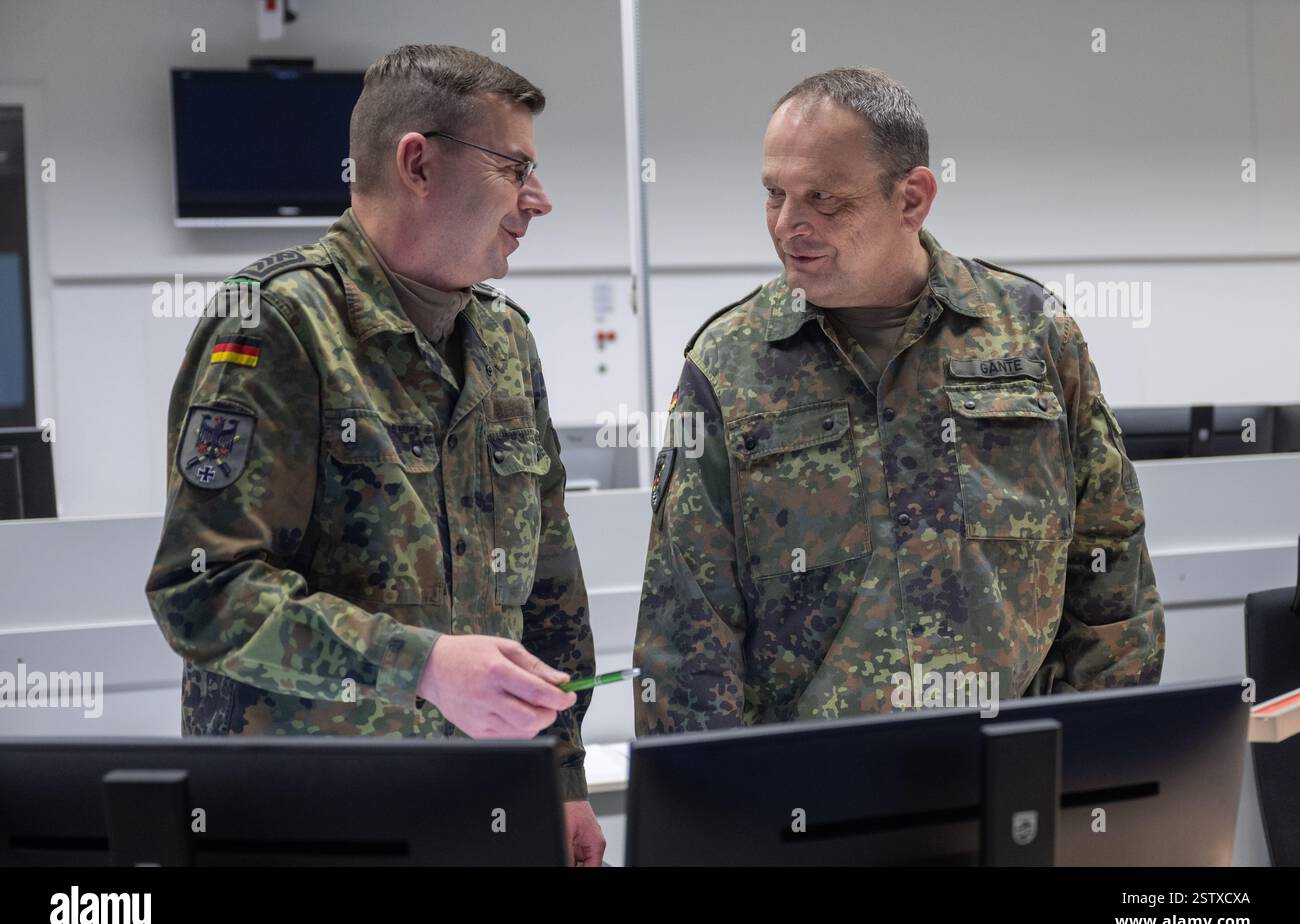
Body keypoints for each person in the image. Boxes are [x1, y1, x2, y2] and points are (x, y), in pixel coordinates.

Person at [146, 44, 604, 864]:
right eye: (514, 167)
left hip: (478, 808)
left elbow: (550, 590)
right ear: (418, 163)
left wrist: (564, 776)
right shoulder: (278, 324)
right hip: (314, 820)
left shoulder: (503, 340)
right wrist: (420, 666)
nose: (539, 200)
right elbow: (202, 593)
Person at [634, 67, 1164, 734]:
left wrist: (1101, 760)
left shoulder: (1032, 334)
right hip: (813, 794)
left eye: (824, 198)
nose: (789, 225)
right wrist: (712, 809)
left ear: (911, 198)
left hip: (1010, 769)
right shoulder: (730, 364)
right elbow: (688, 627)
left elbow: (1109, 559)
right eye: (774, 195)